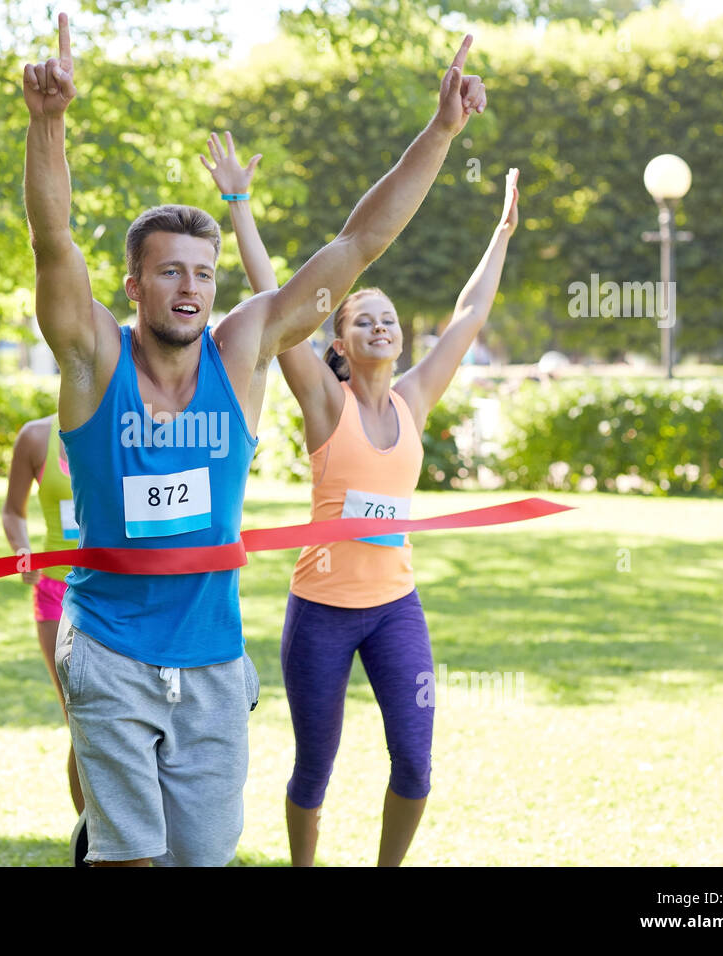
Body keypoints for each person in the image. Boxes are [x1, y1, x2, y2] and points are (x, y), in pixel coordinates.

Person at [22, 13, 486, 866]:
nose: (190, 287)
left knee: (201, 856)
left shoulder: (242, 354)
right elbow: (54, 242)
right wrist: (47, 124)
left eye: (203, 271)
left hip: (212, 658)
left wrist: (443, 131)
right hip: (110, 649)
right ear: (134, 284)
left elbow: (357, 242)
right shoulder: (92, 359)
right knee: (132, 855)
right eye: (169, 271)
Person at [277, 171, 521, 866]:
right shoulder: (327, 403)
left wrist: (499, 236)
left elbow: (469, 315)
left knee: (415, 762)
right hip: (321, 610)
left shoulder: (414, 401)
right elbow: (278, 313)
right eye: (363, 320)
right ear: (341, 345)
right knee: (312, 772)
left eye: (387, 318)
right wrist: (238, 210)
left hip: (394, 609)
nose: (381, 325)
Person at [1, 413, 87, 859]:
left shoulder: (125, 424)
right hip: (56, 592)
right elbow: (13, 511)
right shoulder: (35, 436)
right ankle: (90, 837)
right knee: (82, 721)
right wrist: (22, 553)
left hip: (116, 590)